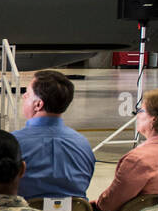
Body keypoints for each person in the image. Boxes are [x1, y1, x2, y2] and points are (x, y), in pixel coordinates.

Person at [13, 69, 96, 200]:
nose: (23, 96)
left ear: (38, 104)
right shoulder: (83, 144)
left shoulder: (13, 143)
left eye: (27, 94)